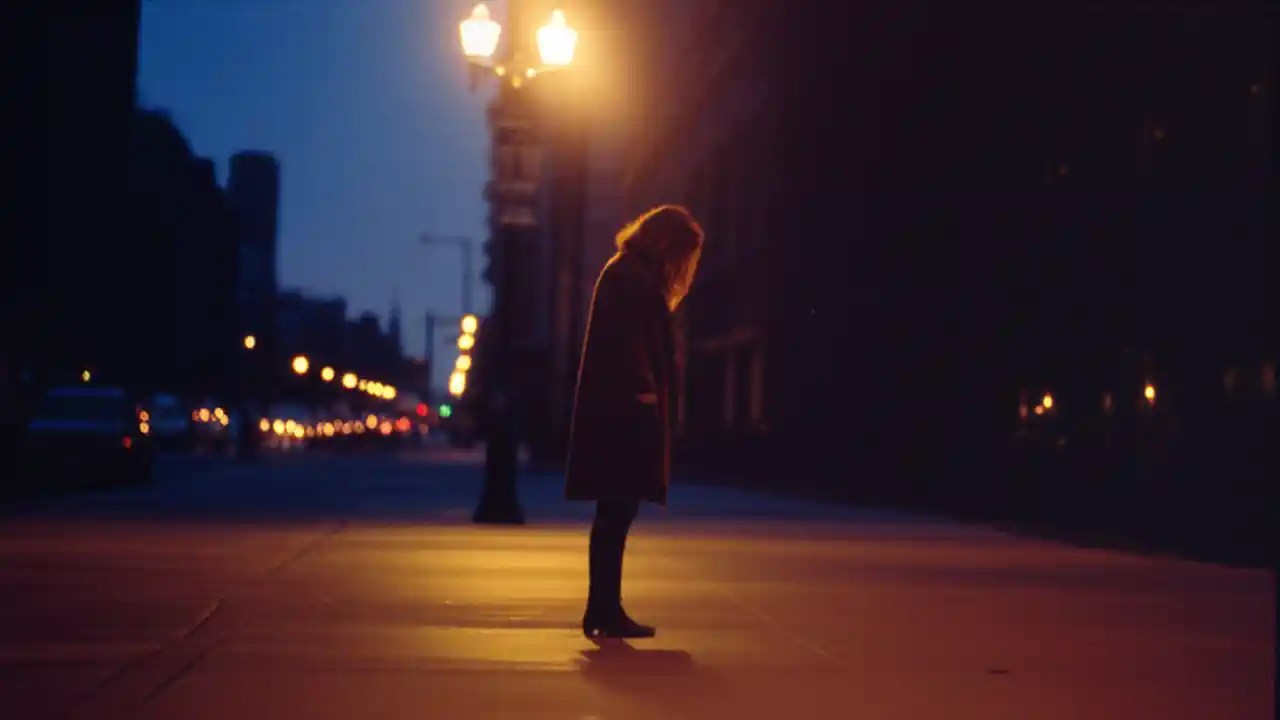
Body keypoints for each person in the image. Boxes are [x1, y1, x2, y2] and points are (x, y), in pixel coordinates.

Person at [565, 205, 704, 639]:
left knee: (615, 513)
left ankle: (604, 607)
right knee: (615, 512)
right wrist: (645, 391)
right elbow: (630, 346)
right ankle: (603, 609)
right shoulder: (631, 278)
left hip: (622, 409)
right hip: (625, 412)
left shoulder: (626, 273)